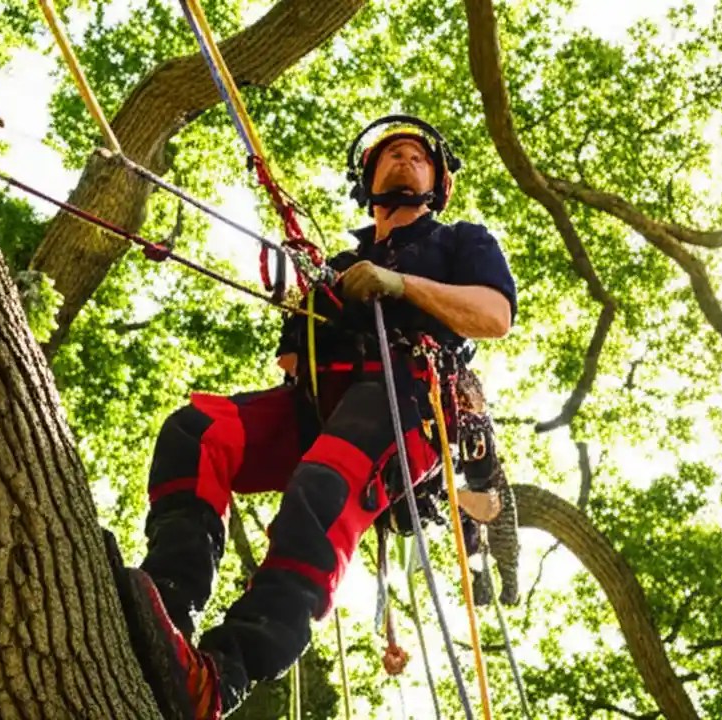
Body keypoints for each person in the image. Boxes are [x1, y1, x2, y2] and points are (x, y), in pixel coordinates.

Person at [116, 115, 518, 719]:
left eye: (417, 157)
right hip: (321, 404)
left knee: (322, 488)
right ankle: (167, 604)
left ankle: (222, 676)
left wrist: (399, 285)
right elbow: (290, 357)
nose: (405, 161)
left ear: (437, 181)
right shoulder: (336, 265)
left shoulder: (461, 240)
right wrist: (316, 302)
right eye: (392, 155)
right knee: (196, 433)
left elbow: (493, 314)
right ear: (369, 179)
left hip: (405, 399)